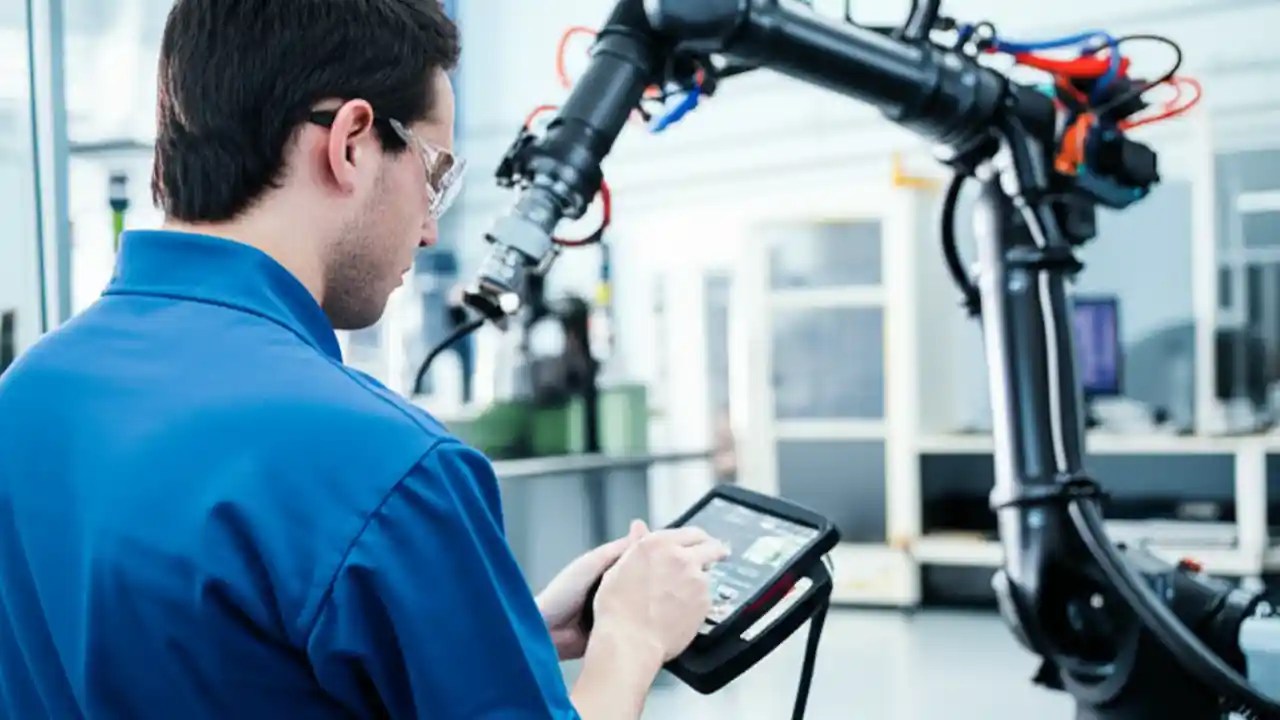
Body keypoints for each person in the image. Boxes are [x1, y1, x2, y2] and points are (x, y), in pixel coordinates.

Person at [0, 1, 727, 718]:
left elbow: (221, 665)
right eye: (435, 172)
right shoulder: (388, 468)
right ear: (350, 141)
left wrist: (505, 634)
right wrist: (631, 639)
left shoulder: (27, 395)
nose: (429, 227)